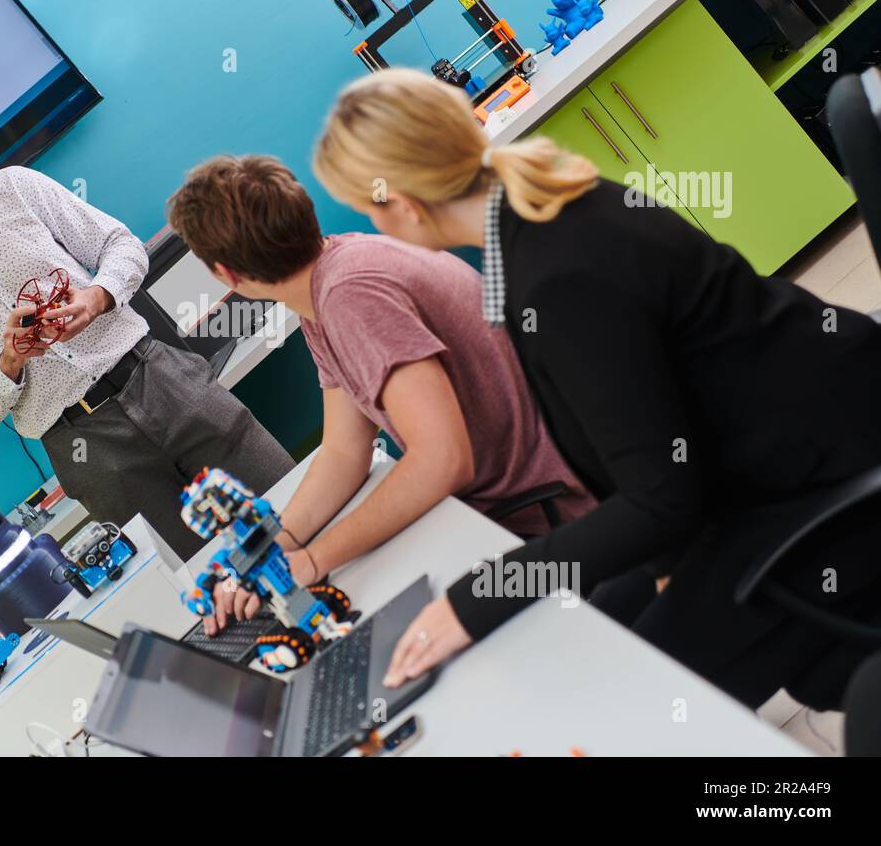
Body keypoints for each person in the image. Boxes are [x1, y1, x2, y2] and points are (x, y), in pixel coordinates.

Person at [313, 67, 881, 710]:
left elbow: (662, 501)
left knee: (612, 705)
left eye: (368, 204)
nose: (371, 221)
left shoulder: (557, 274)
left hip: (820, 493)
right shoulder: (548, 205)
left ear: (406, 204)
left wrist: (478, 597)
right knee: (573, 633)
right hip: (767, 455)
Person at [166, 154, 594, 634]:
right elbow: (346, 451)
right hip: (512, 505)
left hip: (555, 518)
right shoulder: (324, 285)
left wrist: (312, 563)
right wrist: (272, 550)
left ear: (226, 275)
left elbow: (443, 461)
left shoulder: (351, 296)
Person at [0, 132, 295, 559]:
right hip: (84, 448)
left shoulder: (12, 188)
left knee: (295, 506)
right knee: (206, 584)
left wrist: (96, 297)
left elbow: (120, 245)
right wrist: (8, 362)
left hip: (161, 379)